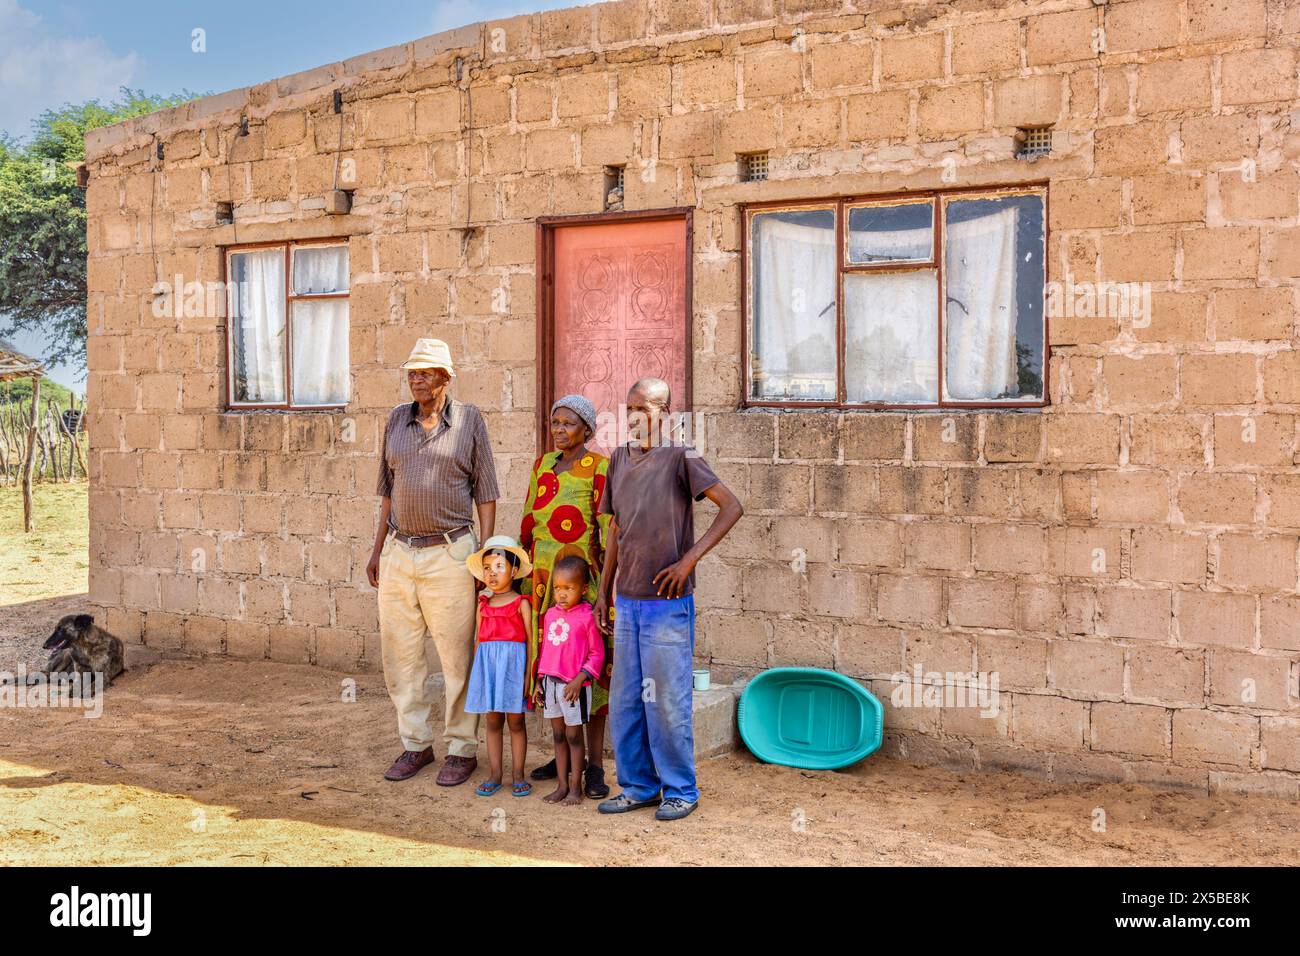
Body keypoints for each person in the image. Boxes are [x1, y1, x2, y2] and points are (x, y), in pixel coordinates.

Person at [595, 378, 743, 821]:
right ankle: (639, 786)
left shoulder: (683, 456)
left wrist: (688, 561)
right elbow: (616, 531)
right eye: (629, 407)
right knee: (626, 702)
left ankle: (681, 790)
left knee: (667, 702)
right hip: (628, 601)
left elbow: (732, 506)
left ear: (668, 413)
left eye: (646, 407)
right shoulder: (618, 459)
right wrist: (605, 592)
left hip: (666, 603)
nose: (636, 416)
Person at [369, 338, 499, 787]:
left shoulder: (469, 421)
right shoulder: (395, 422)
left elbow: (486, 492)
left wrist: (485, 556)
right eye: (411, 372)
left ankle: (462, 749)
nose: (416, 379)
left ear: (446, 377)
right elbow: (386, 492)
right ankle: (415, 745)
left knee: (456, 657)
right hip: (400, 552)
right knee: (400, 657)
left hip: (452, 552)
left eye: (425, 372)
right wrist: (376, 549)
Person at [521, 395, 615, 798]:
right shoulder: (542, 465)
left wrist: (603, 592)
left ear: (587, 430)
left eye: (569, 424)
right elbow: (527, 521)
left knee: (589, 674)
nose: (559, 429)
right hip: (543, 585)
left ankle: (593, 767)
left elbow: (610, 529)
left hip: (583, 584)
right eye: (554, 422)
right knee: (549, 668)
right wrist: (522, 578)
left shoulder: (600, 468)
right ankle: (561, 755)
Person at [464, 536, 533, 798]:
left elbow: (529, 641)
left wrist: (528, 675)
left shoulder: (521, 603)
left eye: (499, 567)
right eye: (487, 568)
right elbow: (479, 641)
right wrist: (477, 678)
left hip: (513, 671)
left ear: (514, 571)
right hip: (489, 671)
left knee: (516, 723)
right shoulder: (483, 604)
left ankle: (518, 775)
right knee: (492, 722)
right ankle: (495, 775)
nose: (492, 573)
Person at [533, 556, 605, 805]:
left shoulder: (587, 617)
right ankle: (562, 785)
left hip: (574, 688)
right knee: (558, 736)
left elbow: (597, 654)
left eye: (569, 588)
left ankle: (576, 787)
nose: (561, 594)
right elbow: (547, 651)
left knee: (574, 737)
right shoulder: (551, 614)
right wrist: (539, 681)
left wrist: (579, 679)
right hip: (551, 685)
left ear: (583, 589)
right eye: (557, 587)